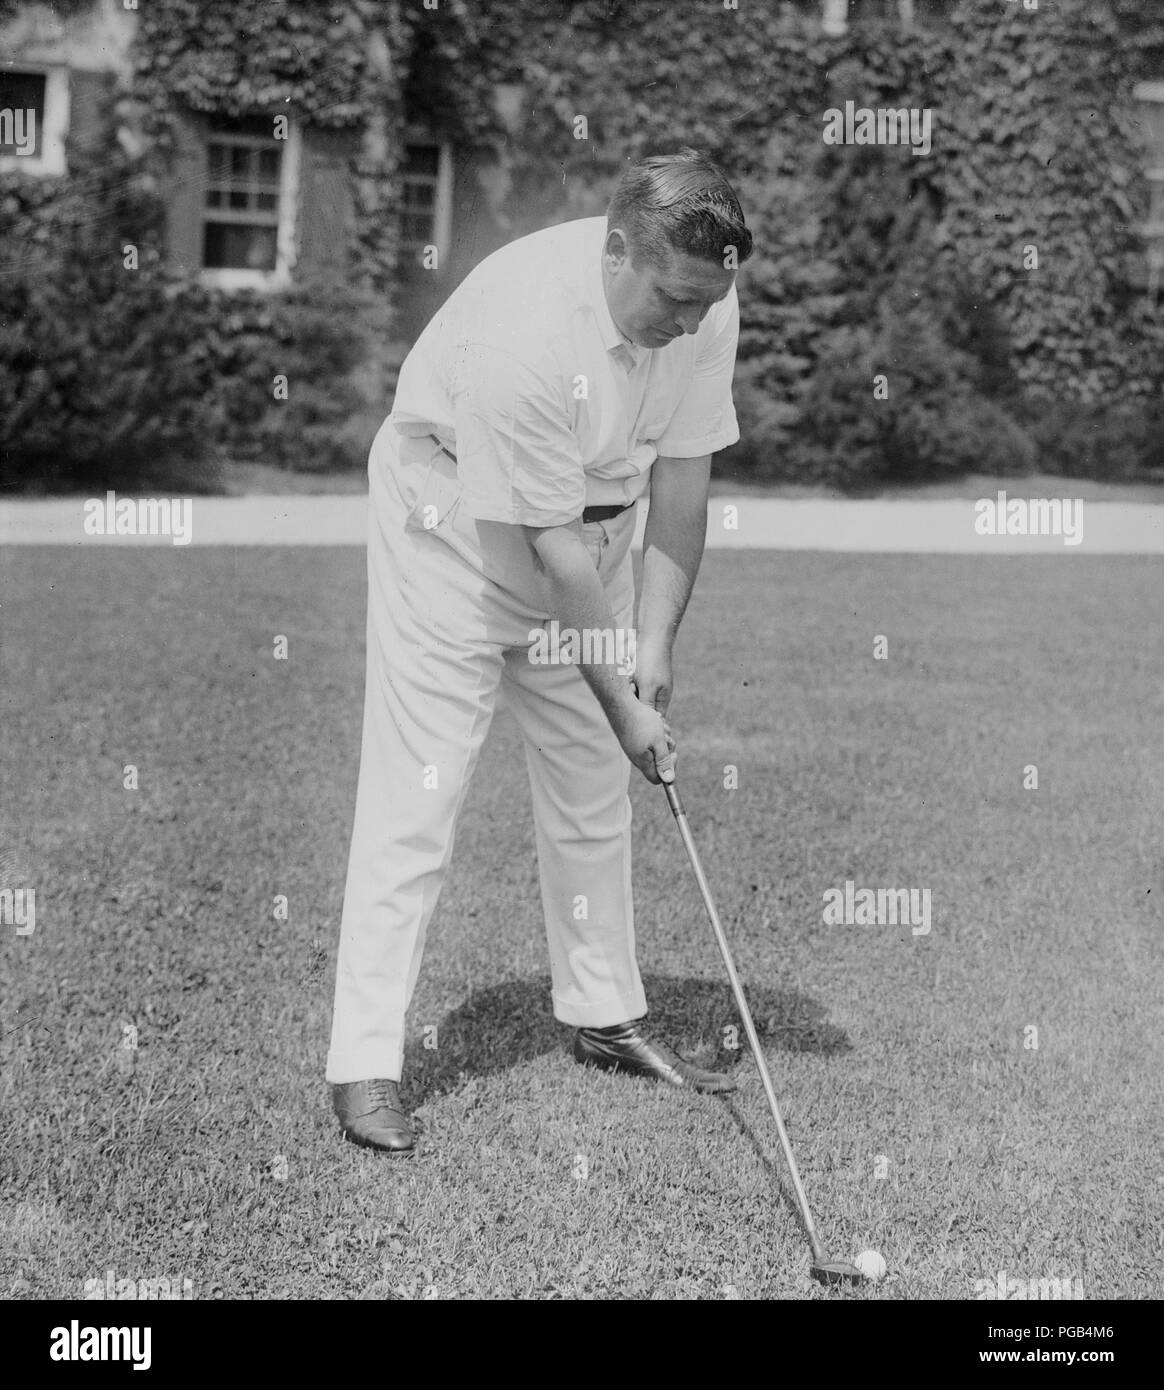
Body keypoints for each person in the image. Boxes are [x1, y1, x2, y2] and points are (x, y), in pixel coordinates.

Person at [327, 148, 754, 1153]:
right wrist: (628, 707)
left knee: (591, 786)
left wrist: (653, 644)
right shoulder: (525, 332)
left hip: (591, 529)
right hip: (451, 531)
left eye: (708, 299)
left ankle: (605, 1012)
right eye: (673, 298)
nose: (690, 321)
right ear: (615, 253)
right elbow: (550, 555)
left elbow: (684, 485)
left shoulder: (708, 299)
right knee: (418, 793)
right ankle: (364, 1064)